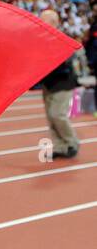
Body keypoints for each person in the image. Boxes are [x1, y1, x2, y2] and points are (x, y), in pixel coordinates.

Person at [37, 8, 81, 158]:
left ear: (54, 22)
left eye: (43, 19)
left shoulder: (62, 38)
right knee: (50, 117)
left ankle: (72, 143)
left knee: (57, 114)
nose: (39, 21)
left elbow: (66, 61)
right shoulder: (40, 39)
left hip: (62, 83)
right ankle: (59, 147)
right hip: (48, 83)